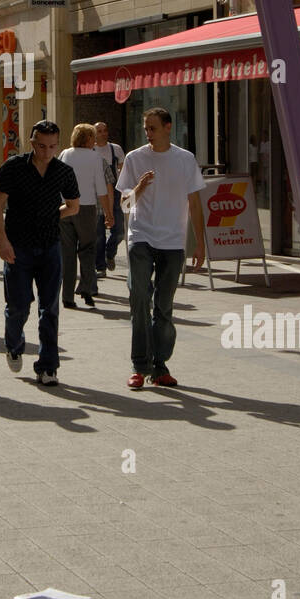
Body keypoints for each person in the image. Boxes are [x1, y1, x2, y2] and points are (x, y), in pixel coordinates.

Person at [118, 107, 206, 391]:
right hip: (141, 237)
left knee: (164, 308)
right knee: (140, 298)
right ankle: (139, 366)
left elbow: (194, 203)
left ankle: (160, 367)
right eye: (146, 128)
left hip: (172, 242)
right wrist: (139, 188)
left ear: (169, 127)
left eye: (153, 128)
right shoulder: (134, 158)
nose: (148, 133)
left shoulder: (185, 159)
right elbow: (125, 205)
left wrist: (201, 244)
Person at [0, 121, 80, 387]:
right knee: (18, 306)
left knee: (49, 308)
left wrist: (53, 215)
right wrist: (2, 240)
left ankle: (47, 366)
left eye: (52, 146)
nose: (46, 152)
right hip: (17, 247)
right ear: (31, 142)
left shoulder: (63, 171)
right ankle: (14, 344)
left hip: (50, 246)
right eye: (41, 146)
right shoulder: (14, 167)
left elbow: (74, 206)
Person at [60, 124, 111, 308]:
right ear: (87, 139)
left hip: (65, 207)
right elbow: (101, 188)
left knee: (67, 253)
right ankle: (87, 289)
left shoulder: (65, 154)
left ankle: (67, 296)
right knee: (88, 249)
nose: (95, 140)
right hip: (86, 207)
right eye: (93, 137)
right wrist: (108, 213)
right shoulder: (95, 156)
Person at [93, 121, 125, 277]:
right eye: (99, 131)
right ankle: (100, 267)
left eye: (105, 130)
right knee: (98, 233)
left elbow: (123, 169)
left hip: (116, 192)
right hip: (96, 194)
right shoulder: (90, 150)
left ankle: (109, 253)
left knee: (119, 231)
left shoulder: (116, 149)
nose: (103, 133)